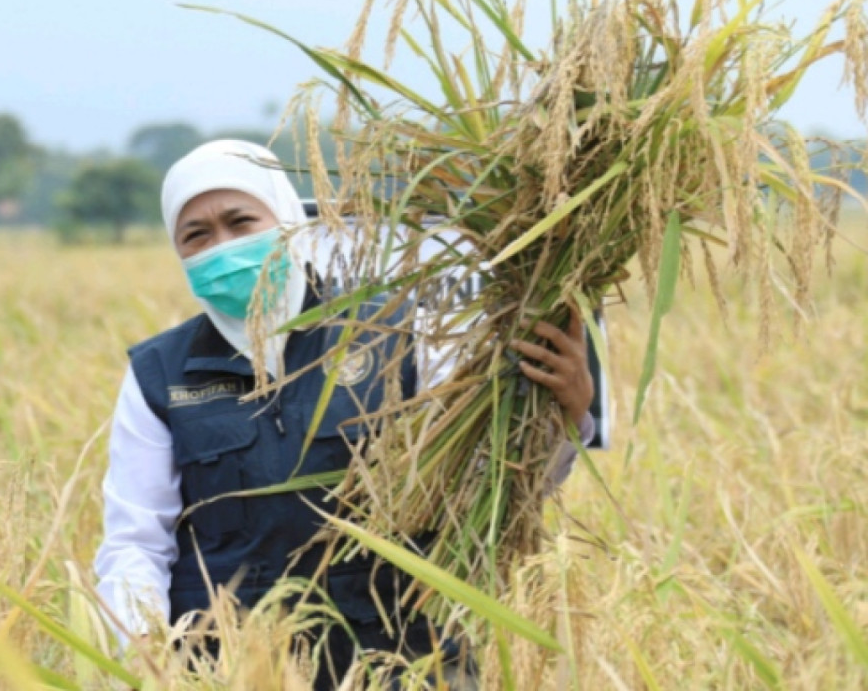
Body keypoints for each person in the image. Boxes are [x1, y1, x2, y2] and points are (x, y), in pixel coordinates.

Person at [94, 139, 595, 688]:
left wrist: (565, 417)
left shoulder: (396, 335)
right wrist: (140, 647)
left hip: (400, 653)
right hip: (237, 666)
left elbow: (489, 492)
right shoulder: (160, 374)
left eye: (241, 222)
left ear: (288, 220)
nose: (224, 247)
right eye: (197, 235)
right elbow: (136, 541)